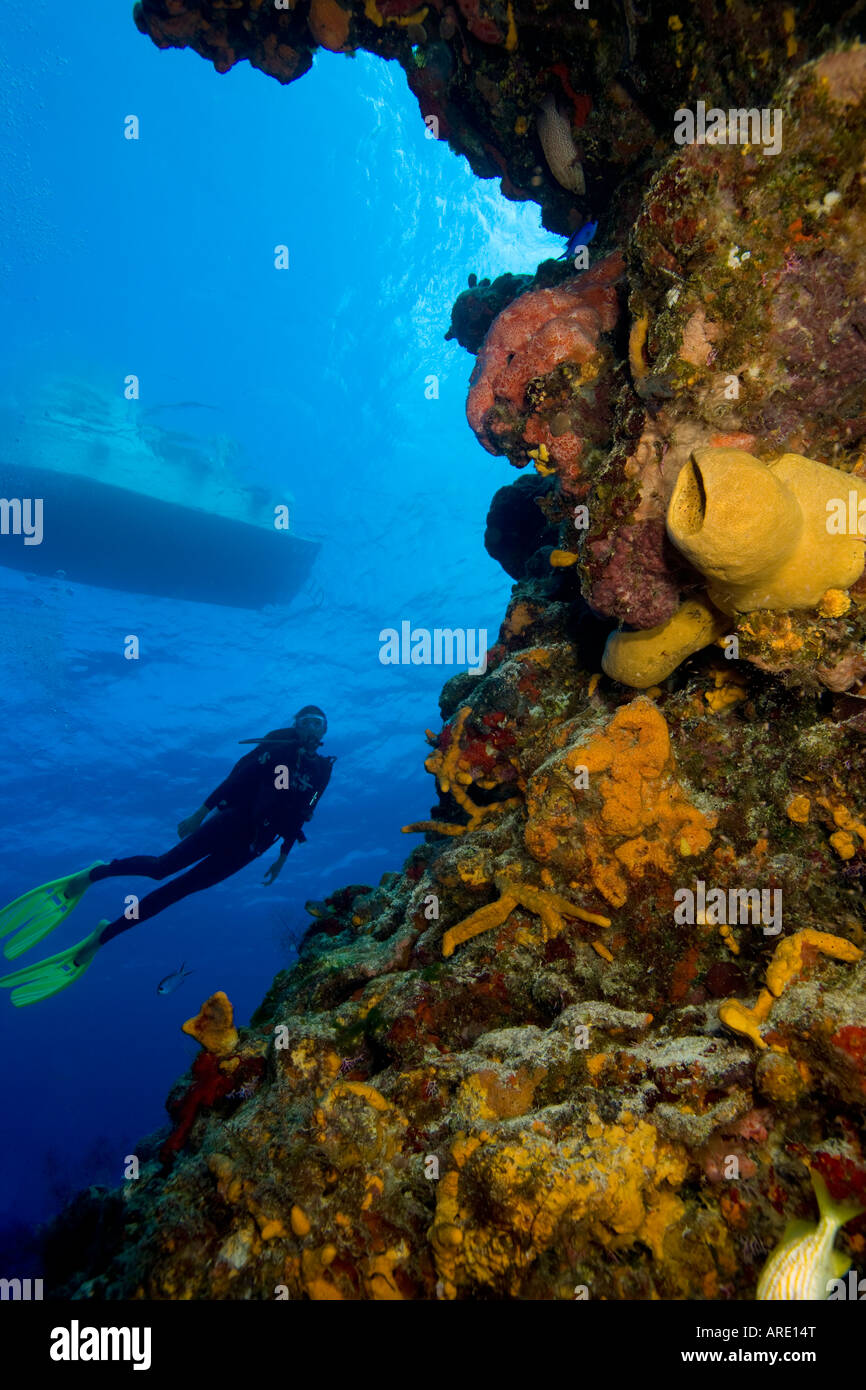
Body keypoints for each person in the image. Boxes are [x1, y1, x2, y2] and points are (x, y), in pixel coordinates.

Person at [0, 706, 334, 1006]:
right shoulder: (278, 752)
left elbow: (304, 813)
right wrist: (199, 814)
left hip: (253, 847)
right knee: (162, 869)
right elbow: (237, 780)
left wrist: (283, 856)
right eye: (305, 721)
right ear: (296, 725)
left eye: (317, 723)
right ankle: (95, 873)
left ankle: (101, 938)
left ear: (324, 730)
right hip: (232, 821)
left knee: (176, 892)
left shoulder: (322, 771)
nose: (310, 728)